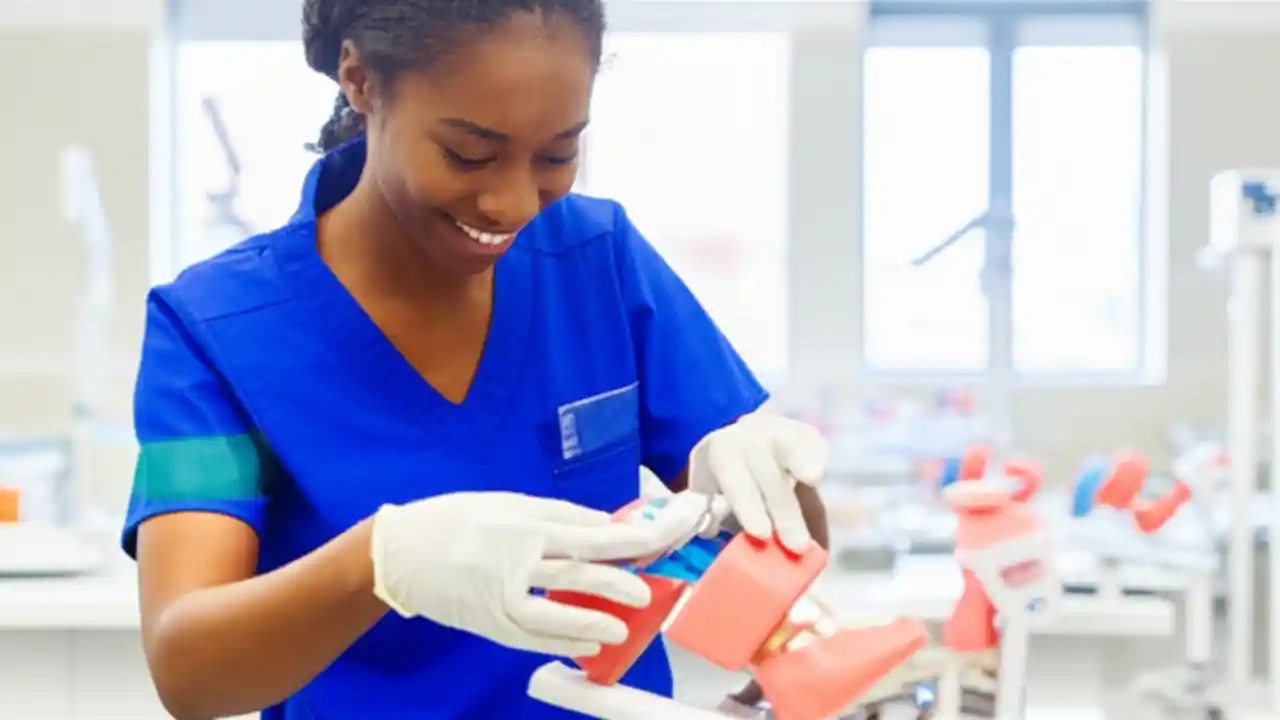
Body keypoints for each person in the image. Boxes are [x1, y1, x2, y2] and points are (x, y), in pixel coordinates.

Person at [123, 1, 830, 718]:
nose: (514, 203)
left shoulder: (597, 260)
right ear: (361, 80)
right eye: (469, 154)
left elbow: (785, 558)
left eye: (557, 155)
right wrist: (381, 562)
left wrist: (763, 484)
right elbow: (189, 670)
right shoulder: (211, 329)